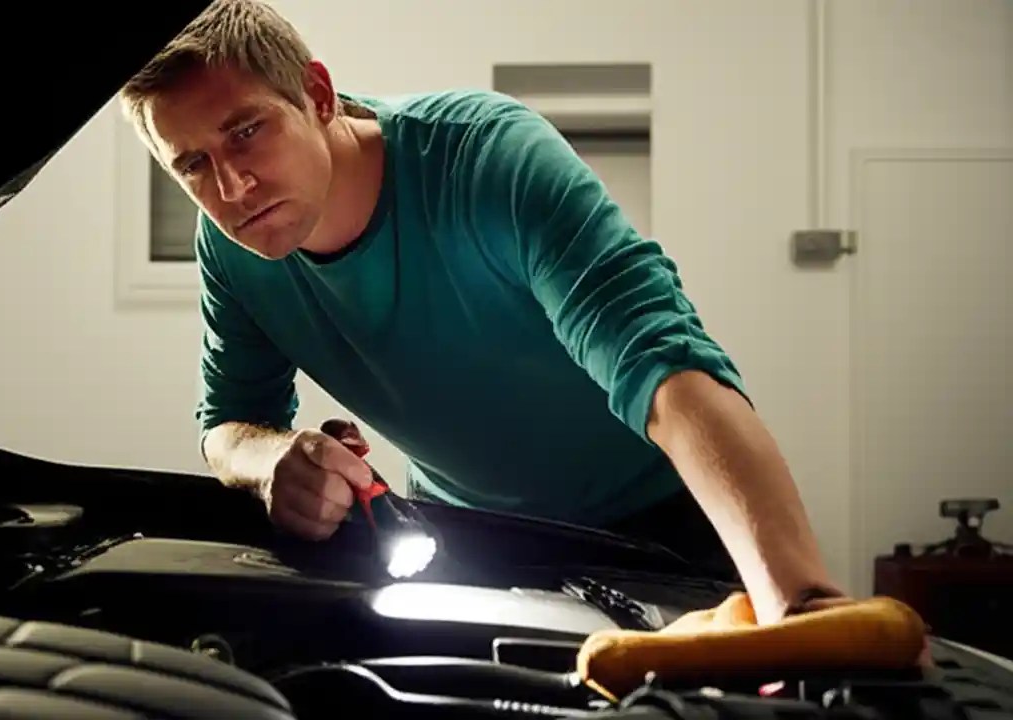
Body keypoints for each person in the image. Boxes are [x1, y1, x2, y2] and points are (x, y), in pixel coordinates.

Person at [119, 0, 843, 624]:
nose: (232, 185)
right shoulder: (228, 248)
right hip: (467, 538)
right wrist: (273, 458)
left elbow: (663, 366)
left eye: (247, 131)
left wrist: (801, 601)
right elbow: (225, 424)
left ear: (317, 94)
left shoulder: (485, 157)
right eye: (191, 164)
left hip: (668, 528)